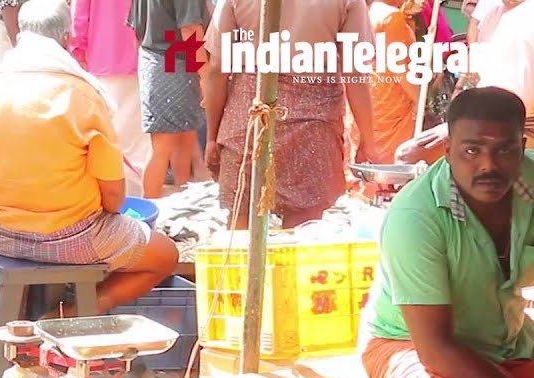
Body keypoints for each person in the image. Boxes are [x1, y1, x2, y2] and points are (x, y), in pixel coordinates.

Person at [0, 0, 178, 315]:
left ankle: (21, 321)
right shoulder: (84, 96)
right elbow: (113, 199)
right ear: (65, 38)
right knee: (166, 255)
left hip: (0, 234)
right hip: (74, 238)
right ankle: (72, 315)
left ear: (20, 34)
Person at [360, 88, 534, 378]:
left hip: (507, 338)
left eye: (505, 150)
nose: (489, 165)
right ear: (448, 148)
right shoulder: (414, 217)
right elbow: (436, 348)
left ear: (522, 148)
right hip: (408, 343)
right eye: (472, 150)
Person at [203, 0, 376, 229]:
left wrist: (212, 137)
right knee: (303, 228)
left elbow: (217, 69)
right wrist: (367, 140)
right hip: (314, 122)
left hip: (250, 118)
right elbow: (355, 72)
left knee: (242, 221)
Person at [397, 0, 534, 163]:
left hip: (509, 129)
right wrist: (460, 93)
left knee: (409, 156)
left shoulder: (525, 18)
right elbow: (475, 71)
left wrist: (459, 129)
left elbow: (515, 104)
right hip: (485, 119)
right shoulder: (493, 14)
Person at [128, 0, 209, 198]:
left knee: (184, 138)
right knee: (164, 145)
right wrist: (206, 76)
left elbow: (135, 27)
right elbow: (190, 30)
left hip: (155, 58)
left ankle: (180, 199)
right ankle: (151, 205)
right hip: (174, 61)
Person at [69, 0, 147, 195]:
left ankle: (119, 197)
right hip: (148, 56)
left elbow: (79, 18)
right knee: (141, 140)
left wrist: (77, 53)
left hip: (103, 57)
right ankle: (138, 198)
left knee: (109, 136)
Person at [362, 0, 418, 164]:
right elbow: (399, 69)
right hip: (390, 98)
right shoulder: (390, 17)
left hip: (366, 91)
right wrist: (420, 98)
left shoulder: (362, 11)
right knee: (388, 162)